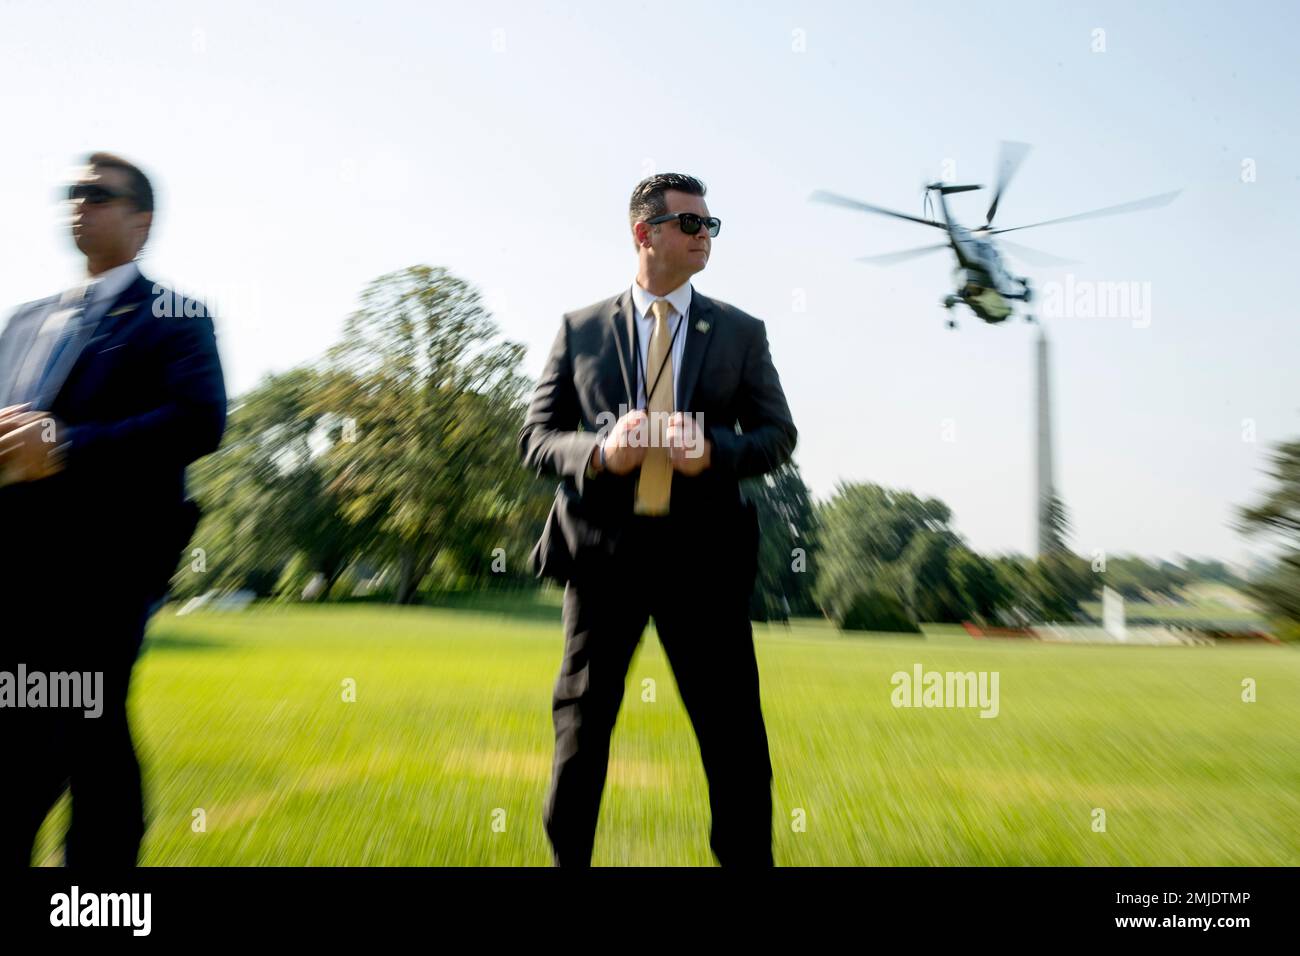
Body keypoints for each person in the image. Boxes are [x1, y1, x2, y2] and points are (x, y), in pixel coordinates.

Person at [518, 173, 797, 866]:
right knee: (580, 732)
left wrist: (714, 451)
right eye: (692, 224)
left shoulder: (741, 332)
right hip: (602, 558)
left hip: (705, 563)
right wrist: (599, 451)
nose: (707, 236)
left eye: (711, 226)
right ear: (645, 233)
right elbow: (536, 439)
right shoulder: (579, 330)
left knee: (735, 742)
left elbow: (778, 437)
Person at [0, 152, 227, 866]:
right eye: (73, 192)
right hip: (13, 568)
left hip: (108, 566)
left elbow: (197, 421)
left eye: (98, 194)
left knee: (74, 720)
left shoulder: (176, 317)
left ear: (142, 220)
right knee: (50, 731)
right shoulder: (22, 320)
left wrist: (66, 445)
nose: (80, 204)